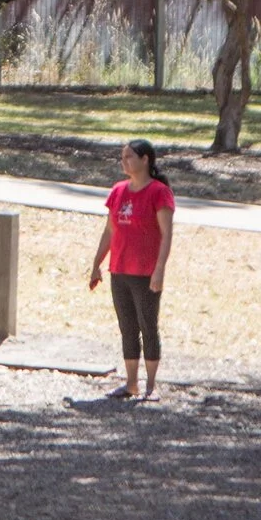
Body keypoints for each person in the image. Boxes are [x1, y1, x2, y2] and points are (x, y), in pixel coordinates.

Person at [86, 138, 174, 400]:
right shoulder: (118, 191)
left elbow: (166, 234)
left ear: (145, 160)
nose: (124, 162)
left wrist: (159, 269)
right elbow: (110, 230)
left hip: (146, 271)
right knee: (127, 326)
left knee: (148, 325)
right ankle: (131, 383)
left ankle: (151, 386)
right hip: (120, 270)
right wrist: (96, 264)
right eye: (122, 157)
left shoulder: (159, 192)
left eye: (129, 157)